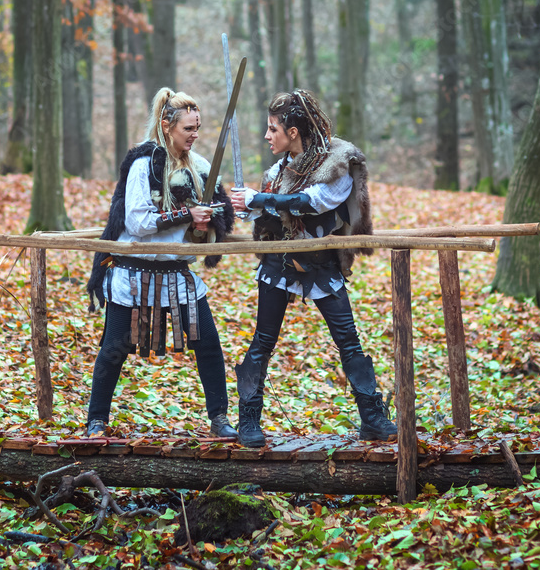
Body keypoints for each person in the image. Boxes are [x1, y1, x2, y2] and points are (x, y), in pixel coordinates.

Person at [229, 89, 398, 448]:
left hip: (322, 267)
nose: (266, 135)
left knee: (349, 341)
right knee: (262, 341)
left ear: (293, 132)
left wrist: (259, 200)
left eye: (273, 128)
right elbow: (263, 210)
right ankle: (248, 422)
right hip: (280, 264)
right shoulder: (277, 171)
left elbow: (311, 202)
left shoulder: (337, 162)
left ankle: (372, 419)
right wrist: (241, 205)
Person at [84, 87, 237, 439]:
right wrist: (187, 214)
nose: (195, 135)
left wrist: (207, 221)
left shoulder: (199, 167)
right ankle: (96, 421)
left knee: (209, 346)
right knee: (114, 349)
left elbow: (218, 215)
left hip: (176, 275)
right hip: (133, 275)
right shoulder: (144, 162)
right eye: (188, 129)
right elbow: (137, 221)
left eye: (197, 129)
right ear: (167, 126)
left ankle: (219, 418)